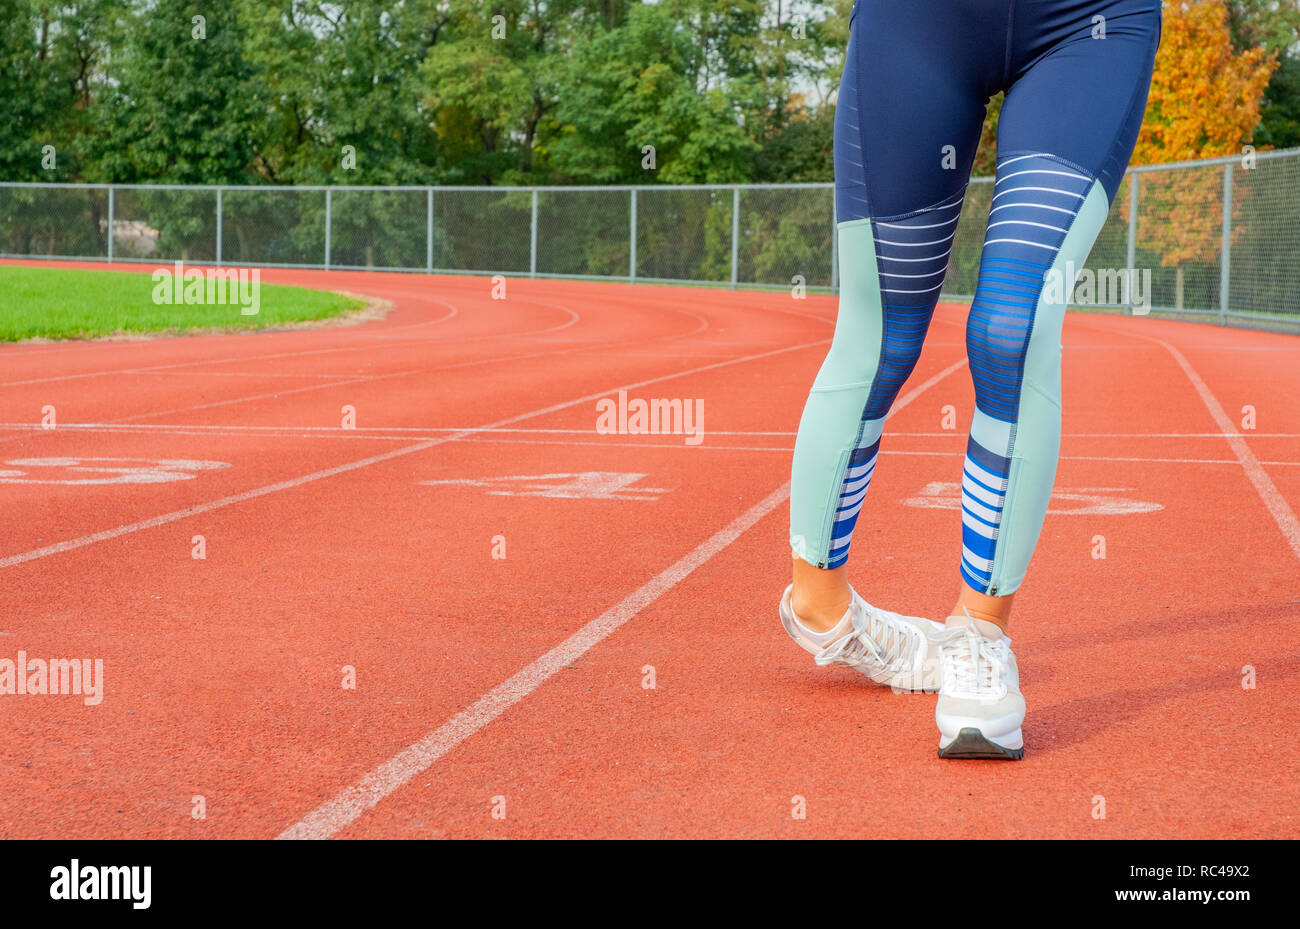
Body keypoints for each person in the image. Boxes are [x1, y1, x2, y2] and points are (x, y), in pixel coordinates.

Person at [781, 0, 1161, 759]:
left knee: (1014, 328)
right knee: (880, 336)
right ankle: (821, 609)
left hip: (1090, 22)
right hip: (920, 21)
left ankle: (979, 633)